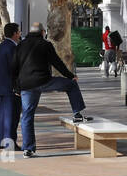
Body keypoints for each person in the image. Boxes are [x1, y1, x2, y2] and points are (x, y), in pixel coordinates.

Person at [13, 22, 91, 158]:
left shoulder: (20, 45)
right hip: (44, 81)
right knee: (71, 85)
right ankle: (77, 114)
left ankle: (28, 149)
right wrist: (71, 76)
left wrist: (16, 87)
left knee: (27, 116)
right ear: (42, 32)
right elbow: (57, 63)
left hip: (26, 85)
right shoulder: (45, 44)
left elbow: (14, 67)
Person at [0, 23, 23, 152]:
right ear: (14, 33)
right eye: (19, 32)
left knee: (3, 116)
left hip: (2, 85)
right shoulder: (13, 48)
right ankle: (9, 143)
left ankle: (1, 141)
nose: (20, 34)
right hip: (12, 87)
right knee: (12, 117)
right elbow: (15, 68)